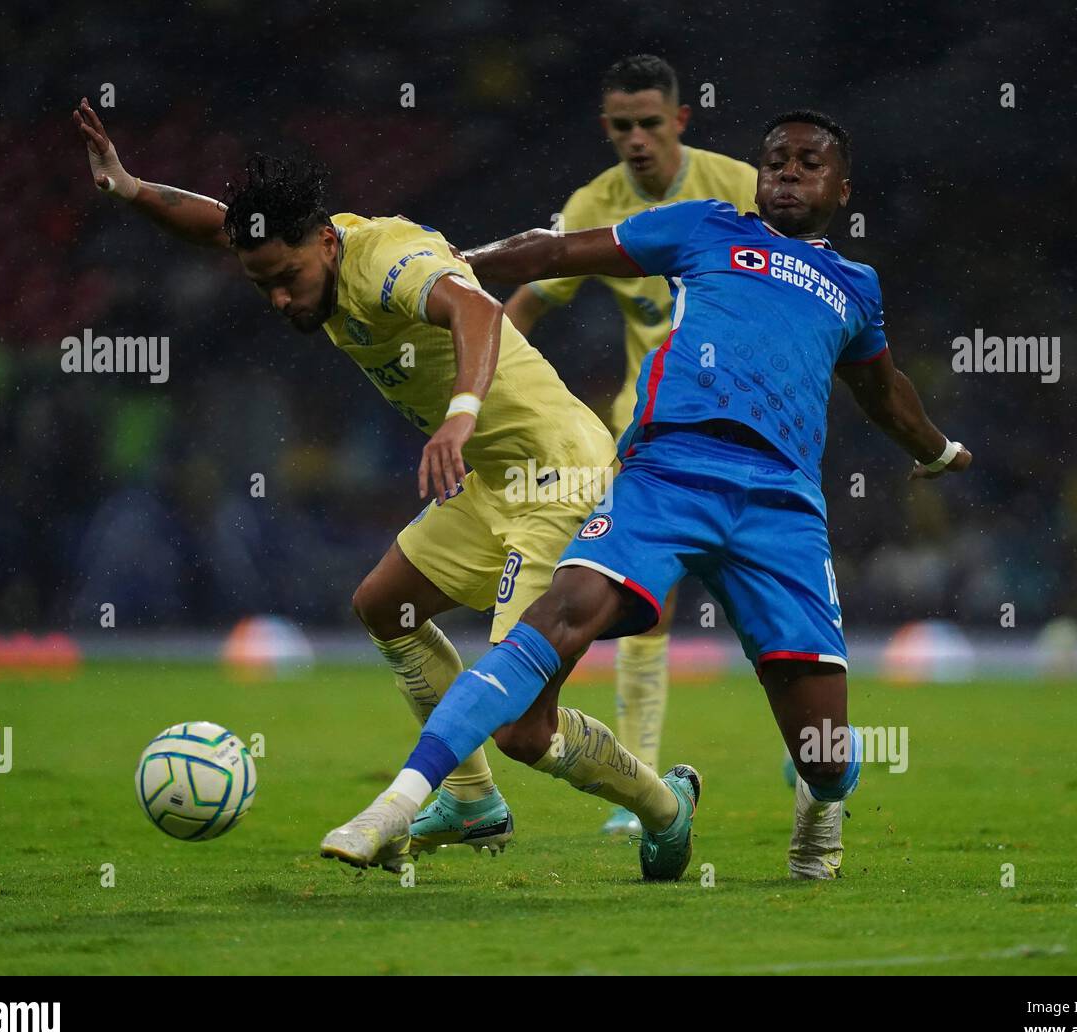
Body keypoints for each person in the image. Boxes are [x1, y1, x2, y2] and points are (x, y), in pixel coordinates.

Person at [322, 110, 972, 881]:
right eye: (774, 162)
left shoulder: (854, 286)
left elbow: (884, 391)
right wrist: (458, 263)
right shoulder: (704, 228)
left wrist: (937, 450)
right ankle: (400, 799)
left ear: (843, 187)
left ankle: (821, 798)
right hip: (667, 473)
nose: (788, 174)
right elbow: (559, 251)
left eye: (808, 163)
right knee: (554, 617)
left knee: (823, 752)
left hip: (781, 503)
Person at [72, 98, 696, 868]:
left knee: (525, 729)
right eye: (262, 282)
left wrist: (460, 416)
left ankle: (666, 807)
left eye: (288, 277)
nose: (277, 297)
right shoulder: (304, 254)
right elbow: (220, 225)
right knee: (384, 604)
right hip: (497, 477)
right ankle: (472, 799)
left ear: (327, 244)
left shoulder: (387, 262)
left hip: (558, 473)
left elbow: (475, 306)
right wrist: (131, 187)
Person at [503, 54, 758, 835]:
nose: (638, 139)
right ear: (606, 128)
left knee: (770, 596)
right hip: (644, 430)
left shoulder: (741, 187)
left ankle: (822, 737)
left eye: (651, 123)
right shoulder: (594, 202)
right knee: (648, 602)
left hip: (749, 421)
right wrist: (483, 388)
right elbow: (529, 299)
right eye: (623, 126)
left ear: (681, 120)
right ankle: (643, 781)